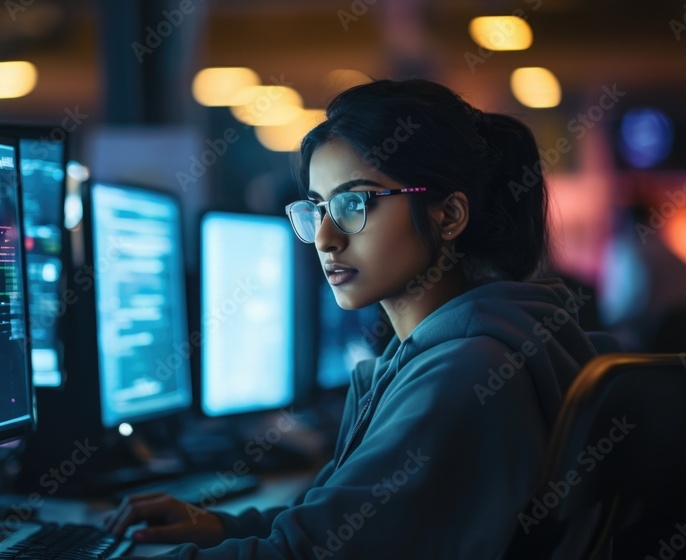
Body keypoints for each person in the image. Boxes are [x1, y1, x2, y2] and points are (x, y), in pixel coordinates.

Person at [107, 79, 598, 558]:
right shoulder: (434, 355)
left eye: (354, 203)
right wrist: (219, 525)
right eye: (318, 208)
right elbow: (331, 524)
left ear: (448, 216)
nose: (325, 237)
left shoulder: (466, 371)